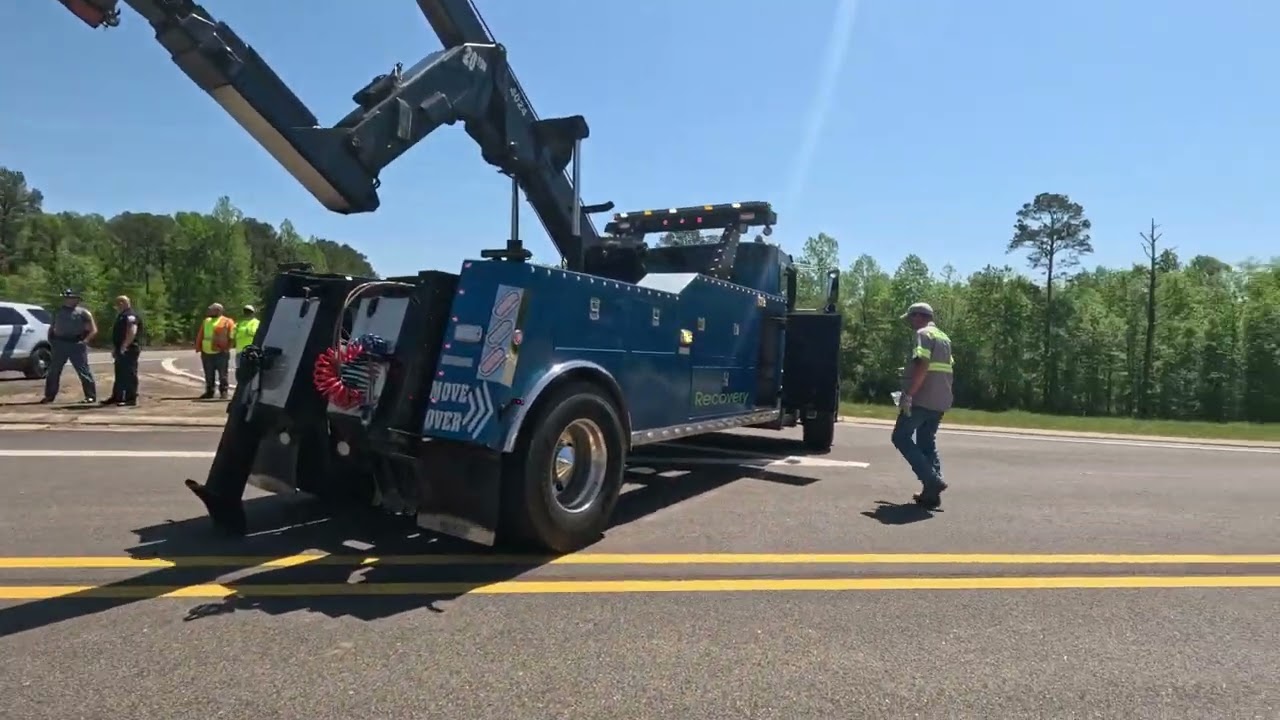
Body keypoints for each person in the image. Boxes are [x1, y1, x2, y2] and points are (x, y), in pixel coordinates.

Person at [890, 302, 954, 509]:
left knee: (900, 436)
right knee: (927, 441)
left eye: (911, 318)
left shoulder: (923, 335)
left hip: (922, 399)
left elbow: (923, 364)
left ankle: (932, 480)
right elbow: (941, 368)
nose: (909, 322)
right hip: (941, 399)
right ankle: (931, 495)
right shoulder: (944, 338)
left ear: (919, 316)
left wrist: (909, 394)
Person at [41, 288, 98, 404]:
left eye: (70, 298)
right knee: (53, 371)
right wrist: (52, 341)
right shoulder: (57, 312)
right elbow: (52, 327)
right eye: (66, 297)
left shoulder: (83, 313)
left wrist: (85, 341)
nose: (67, 300)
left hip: (76, 344)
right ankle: (49, 396)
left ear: (76, 299)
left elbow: (93, 329)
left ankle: (90, 396)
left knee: (83, 371)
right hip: (59, 344)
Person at [102, 295, 143, 407]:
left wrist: (125, 345)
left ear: (125, 303)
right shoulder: (122, 315)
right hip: (121, 348)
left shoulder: (131, 315)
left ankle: (130, 398)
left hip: (129, 349)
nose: (118, 305)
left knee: (129, 374)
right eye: (117, 303)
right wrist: (116, 348)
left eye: (120, 303)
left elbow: (132, 331)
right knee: (120, 374)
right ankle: (117, 396)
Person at [195, 302, 235, 400]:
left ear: (218, 311)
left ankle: (224, 392)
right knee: (208, 374)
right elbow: (201, 334)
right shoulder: (206, 321)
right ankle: (209, 392)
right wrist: (198, 346)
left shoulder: (227, 321)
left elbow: (232, 336)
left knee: (223, 374)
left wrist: (227, 347)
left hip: (221, 352)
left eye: (211, 309)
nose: (209, 311)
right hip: (206, 352)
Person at [232, 304, 260, 369]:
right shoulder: (240, 322)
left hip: (250, 351)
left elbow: (253, 332)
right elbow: (233, 333)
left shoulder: (255, 322)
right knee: (239, 369)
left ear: (253, 313)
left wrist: (244, 330)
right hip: (239, 350)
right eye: (245, 311)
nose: (247, 313)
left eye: (249, 311)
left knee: (249, 370)